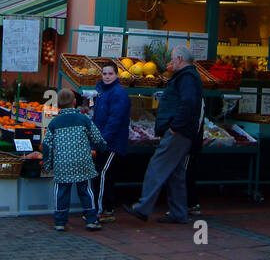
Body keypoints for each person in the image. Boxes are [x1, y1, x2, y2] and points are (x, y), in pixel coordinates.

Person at [123, 46, 203, 224]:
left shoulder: (187, 78)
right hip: (182, 131)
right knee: (176, 172)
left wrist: (175, 127)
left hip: (178, 132)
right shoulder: (186, 77)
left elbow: (188, 103)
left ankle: (143, 207)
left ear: (180, 59)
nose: (170, 62)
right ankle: (179, 212)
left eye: (173, 59)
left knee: (157, 166)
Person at [42, 88, 106, 232]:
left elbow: (47, 144)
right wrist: (102, 147)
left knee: (62, 191)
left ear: (57, 104)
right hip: (82, 161)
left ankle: (60, 221)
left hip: (62, 164)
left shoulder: (54, 123)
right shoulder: (83, 118)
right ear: (75, 102)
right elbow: (96, 137)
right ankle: (91, 219)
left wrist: (47, 163)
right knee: (85, 190)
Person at [91, 62, 129, 221]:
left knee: (103, 174)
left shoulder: (118, 93)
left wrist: (102, 140)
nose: (107, 77)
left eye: (110, 74)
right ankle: (107, 209)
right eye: (104, 74)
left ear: (117, 75)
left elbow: (115, 120)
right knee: (102, 175)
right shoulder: (101, 92)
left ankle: (99, 210)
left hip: (113, 142)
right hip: (102, 141)